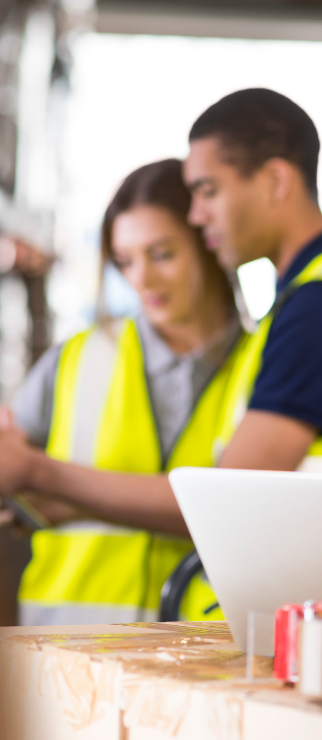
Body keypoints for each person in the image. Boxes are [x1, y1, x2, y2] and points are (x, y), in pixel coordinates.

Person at [0, 159, 246, 624]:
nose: (142, 280)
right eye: (126, 261)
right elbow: (14, 485)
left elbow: (237, 515)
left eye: (162, 254)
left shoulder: (263, 367)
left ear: (208, 242)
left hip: (203, 659)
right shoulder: (75, 359)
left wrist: (53, 483)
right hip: (71, 655)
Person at [183, 88, 322, 474]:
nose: (196, 215)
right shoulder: (315, 290)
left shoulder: (319, 310)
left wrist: (50, 477)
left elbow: (231, 496)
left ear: (275, 181)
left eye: (209, 191)